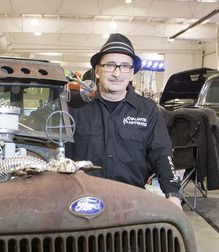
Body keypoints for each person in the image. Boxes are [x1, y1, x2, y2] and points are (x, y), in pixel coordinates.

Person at [65, 33, 184, 210]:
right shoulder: (75, 107)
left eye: (125, 66)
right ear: (97, 71)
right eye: (110, 65)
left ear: (132, 72)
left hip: (131, 203)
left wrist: (173, 194)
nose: (117, 73)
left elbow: (161, 153)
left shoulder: (148, 110)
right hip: (82, 202)